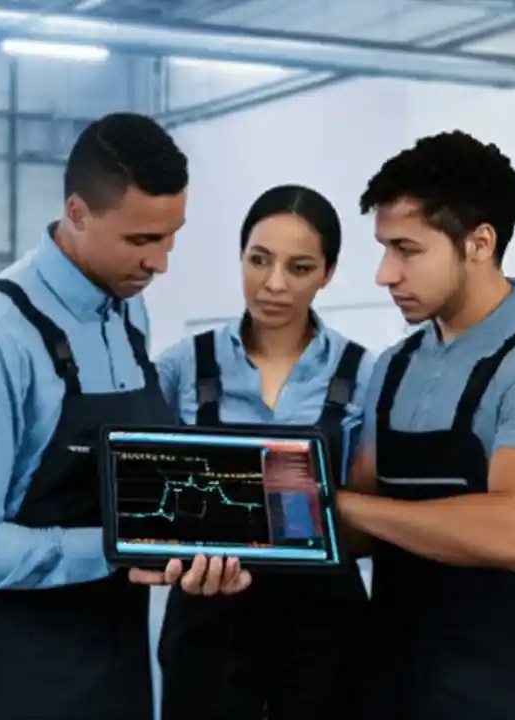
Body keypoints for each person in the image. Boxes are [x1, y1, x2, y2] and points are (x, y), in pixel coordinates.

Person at [0, 112, 251, 720]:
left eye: (170, 237)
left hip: (119, 655)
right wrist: (123, 548)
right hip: (26, 670)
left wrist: (193, 541)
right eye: (140, 240)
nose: (160, 262)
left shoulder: (128, 315)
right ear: (77, 213)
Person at [338, 130, 515, 719]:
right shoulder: (395, 366)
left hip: (503, 691)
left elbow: (513, 532)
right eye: (384, 248)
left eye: (407, 250)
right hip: (389, 683)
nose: (385, 274)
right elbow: (355, 528)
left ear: (480, 243)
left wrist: (346, 508)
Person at [153, 184, 375, 720]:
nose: (274, 284)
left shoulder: (365, 375)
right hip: (206, 623)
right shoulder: (183, 366)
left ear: (327, 273)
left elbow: (371, 517)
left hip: (326, 633)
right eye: (259, 260)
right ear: (241, 258)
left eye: (300, 268)